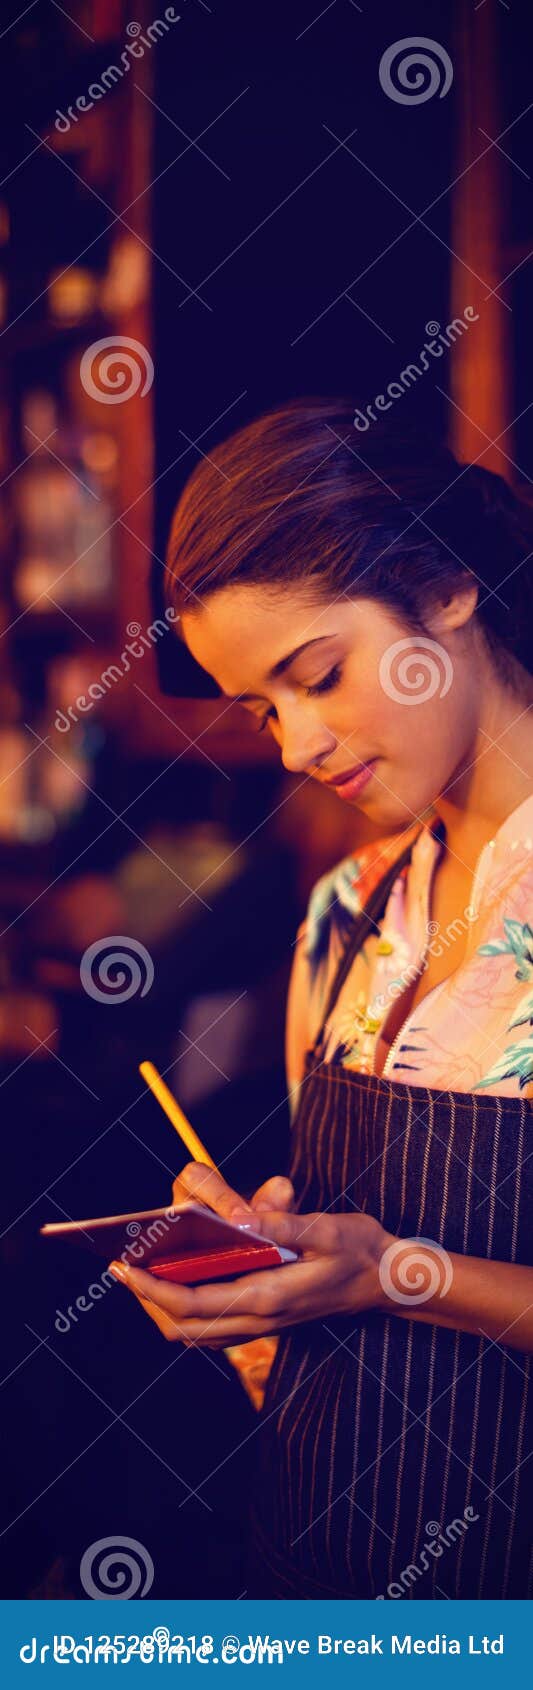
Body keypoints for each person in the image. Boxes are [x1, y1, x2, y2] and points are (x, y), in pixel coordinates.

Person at [109, 399, 533, 1598]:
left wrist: (395, 1270)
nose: (292, 743)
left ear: (442, 589)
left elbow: (383, 1267)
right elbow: (319, 1293)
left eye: (316, 675)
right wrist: (263, 1287)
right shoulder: (342, 911)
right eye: (261, 707)